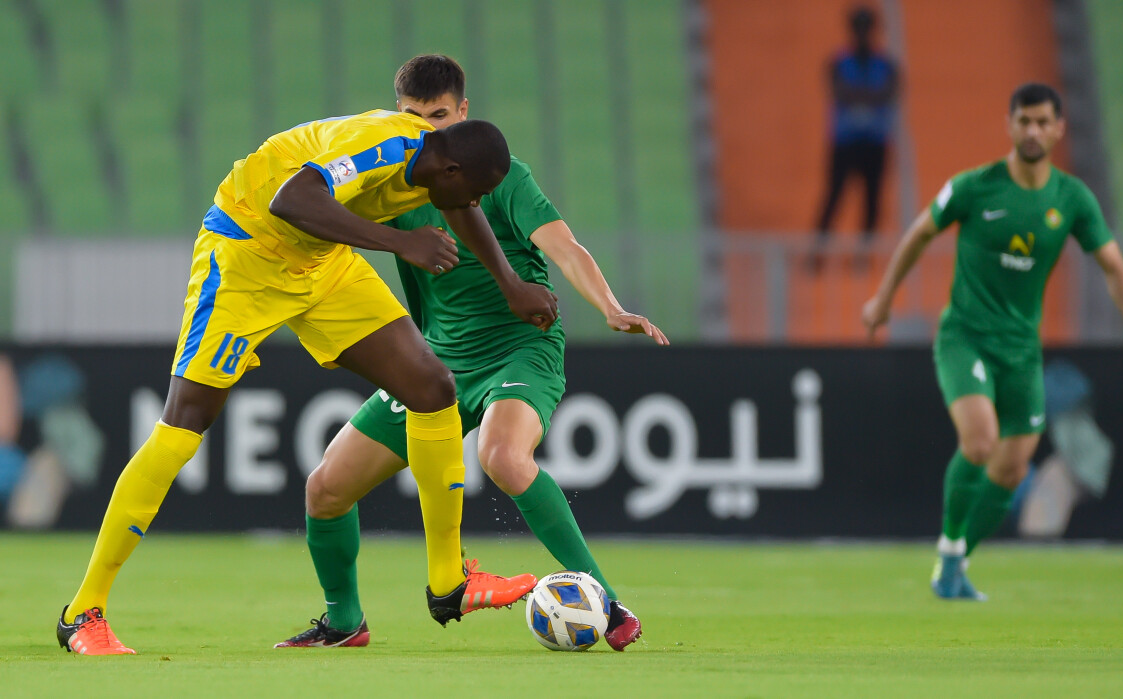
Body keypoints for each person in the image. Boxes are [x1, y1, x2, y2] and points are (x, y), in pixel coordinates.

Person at [56, 96, 560, 655]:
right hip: (247, 252)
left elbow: (460, 207)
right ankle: (83, 613)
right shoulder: (385, 146)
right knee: (185, 423)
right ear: (451, 169)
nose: (476, 203)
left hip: (321, 261)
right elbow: (292, 198)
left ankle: (449, 583)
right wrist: (401, 241)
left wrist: (510, 284)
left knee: (431, 387)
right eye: (476, 190)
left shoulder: (440, 168)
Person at [275, 55, 666, 651]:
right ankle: (344, 622)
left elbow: (565, 248)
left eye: (438, 115)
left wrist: (609, 307)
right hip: (437, 362)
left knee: (502, 456)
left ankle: (608, 605)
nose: (426, 129)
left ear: (463, 112)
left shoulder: (502, 177)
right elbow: (313, 213)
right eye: (413, 117)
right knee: (325, 489)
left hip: (519, 348)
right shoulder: (387, 179)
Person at [862, 83, 1123, 600]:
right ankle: (949, 546)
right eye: (1024, 121)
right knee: (980, 442)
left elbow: (1112, 264)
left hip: (1021, 351)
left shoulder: (1072, 199)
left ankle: (955, 565)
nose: (1033, 131)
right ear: (1010, 125)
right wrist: (884, 298)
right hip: (965, 338)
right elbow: (919, 233)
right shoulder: (975, 187)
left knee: (1012, 466)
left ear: (1059, 129)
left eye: (1043, 122)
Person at [814, 6, 899, 252]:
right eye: (858, 28)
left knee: (872, 200)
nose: (862, 33)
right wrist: (870, 96)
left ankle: (864, 254)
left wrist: (857, 95)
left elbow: (888, 93)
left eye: (866, 28)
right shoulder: (839, 62)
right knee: (834, 195)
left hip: (874, 142)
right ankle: (817, 251)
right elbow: (840, 92)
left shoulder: (886, 65)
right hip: (845, 142)